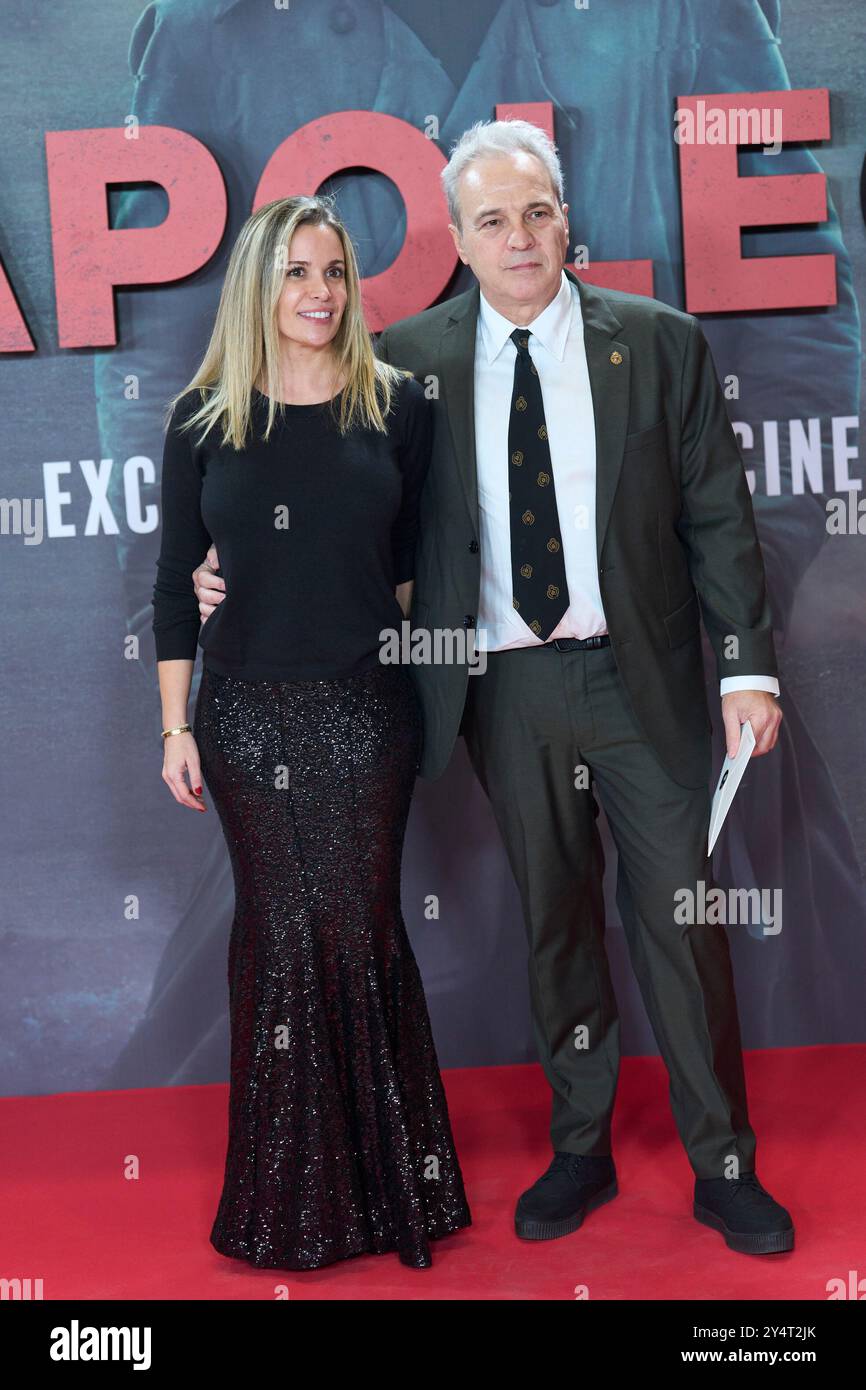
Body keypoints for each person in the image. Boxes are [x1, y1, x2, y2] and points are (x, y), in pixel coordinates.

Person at [198, 119, 795, 1256]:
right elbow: (336, 496)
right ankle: (581, 1150)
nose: (517, 237)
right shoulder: (408, 363)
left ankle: (722, 1163)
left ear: (565, 222)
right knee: (553, 924)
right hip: (503, 692)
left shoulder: (658, 343)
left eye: (535, 212)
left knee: (679, 919)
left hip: (645, 680)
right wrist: (232, 561)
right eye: (490, 220)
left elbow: (717, 515)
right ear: (458, 242)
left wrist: (747, 668)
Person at [152, 192, 471, 1271]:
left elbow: (413, 563)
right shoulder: (203, 419)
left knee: (362, 931)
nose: (319, 291)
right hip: (242, 718)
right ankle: (290, 1203)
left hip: (363, 713)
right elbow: (168, 587)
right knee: (282, 941)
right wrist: (172, 729)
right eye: (295, 271)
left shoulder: (396, 408)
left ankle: (392, 1193)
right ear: (259, 283)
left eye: (332, 271)